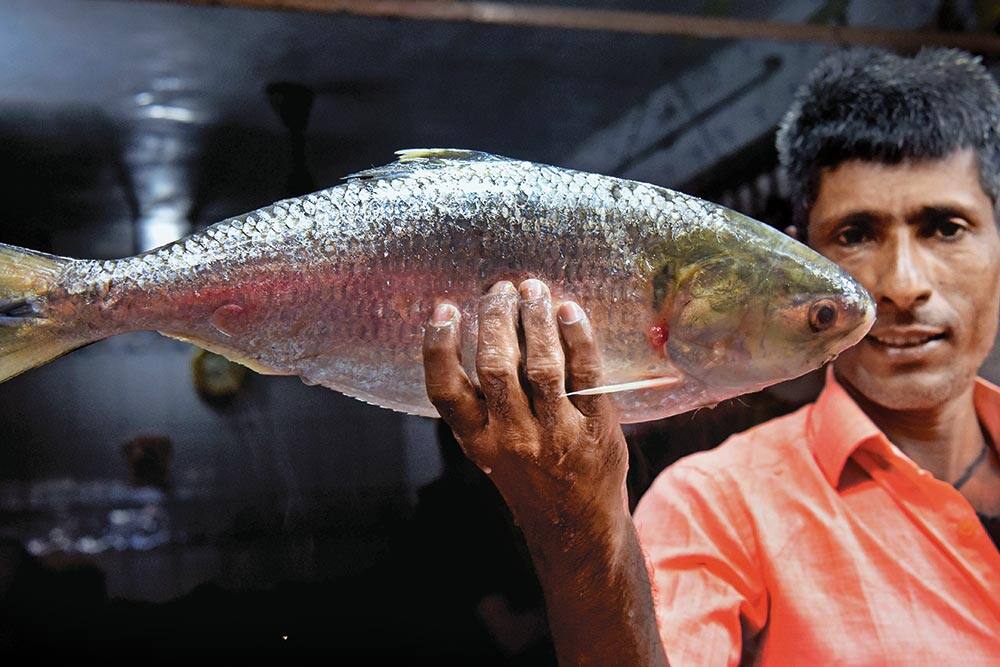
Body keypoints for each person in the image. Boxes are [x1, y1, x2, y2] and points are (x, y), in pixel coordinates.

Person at [421, 48, 1000, 665]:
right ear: (805, 256)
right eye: (855, 234)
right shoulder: (712, 504)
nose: (903, 284)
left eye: (946, 227)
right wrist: (583, 534)